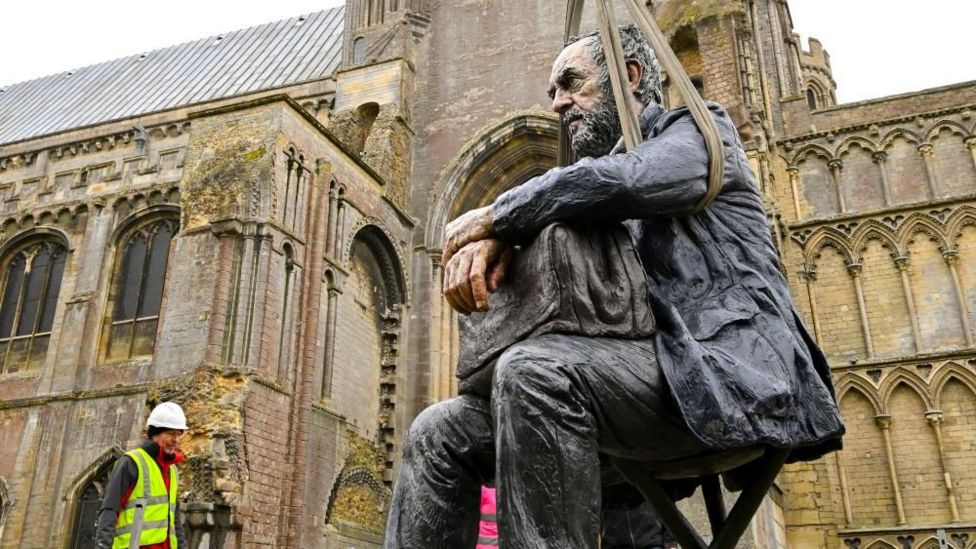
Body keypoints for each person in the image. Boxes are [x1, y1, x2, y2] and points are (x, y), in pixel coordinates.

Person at [385, 24, 844, 548]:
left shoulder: (699, 132)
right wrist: (504, 241)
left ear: (630, 77)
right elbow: (591, 201)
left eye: (570, 83)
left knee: (537, 371)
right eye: (552, 92)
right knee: (437, 431)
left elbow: (625, 179)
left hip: (735, 370)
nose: (557, 104)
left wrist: (499, 215)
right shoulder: (597, 186)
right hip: (641, 386)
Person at [95, 401, 188, 549]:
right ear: (154, 433)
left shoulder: (172, 470)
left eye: (178, 434)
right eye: (170, 433)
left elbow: (175, 519)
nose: (175, 439)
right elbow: (109, 510)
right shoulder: (131, 462)